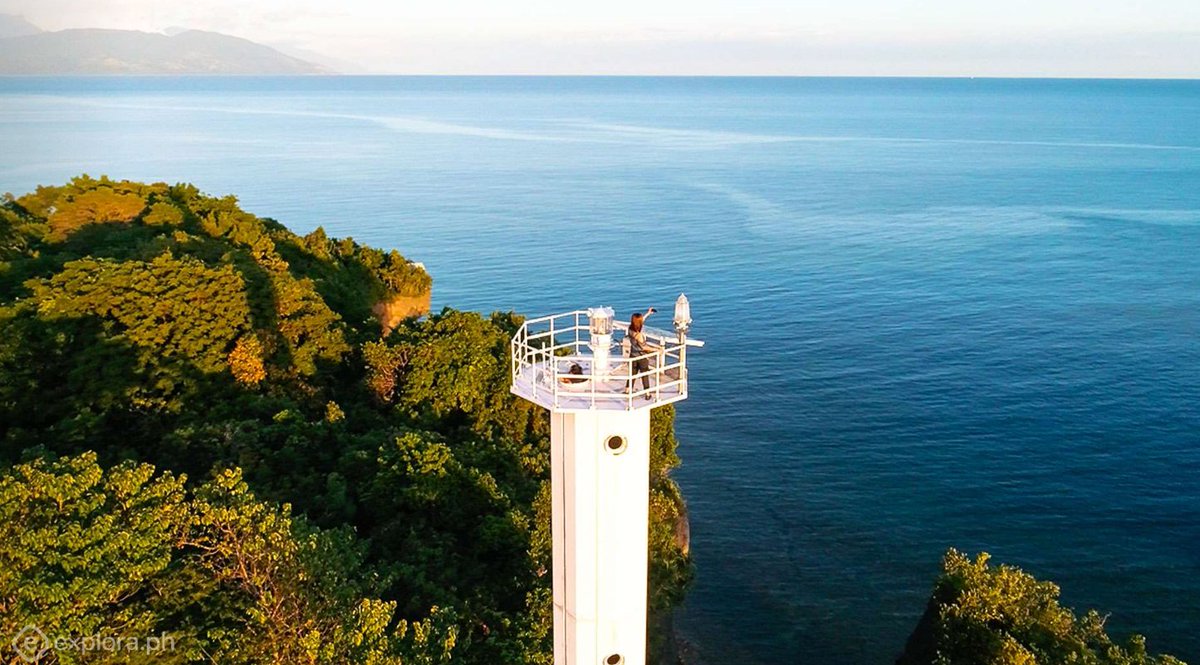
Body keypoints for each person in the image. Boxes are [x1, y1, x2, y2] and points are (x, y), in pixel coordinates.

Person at [626, 308, 660, 398]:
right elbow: (644, 347)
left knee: (632, 373)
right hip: (641, 357)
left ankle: (627, 389)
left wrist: (648, 313)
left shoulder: (630, 329)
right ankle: (647, 393)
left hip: (633, 355)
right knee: (644, 374)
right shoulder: (639, 335)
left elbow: (639, 322)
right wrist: (657, 349)